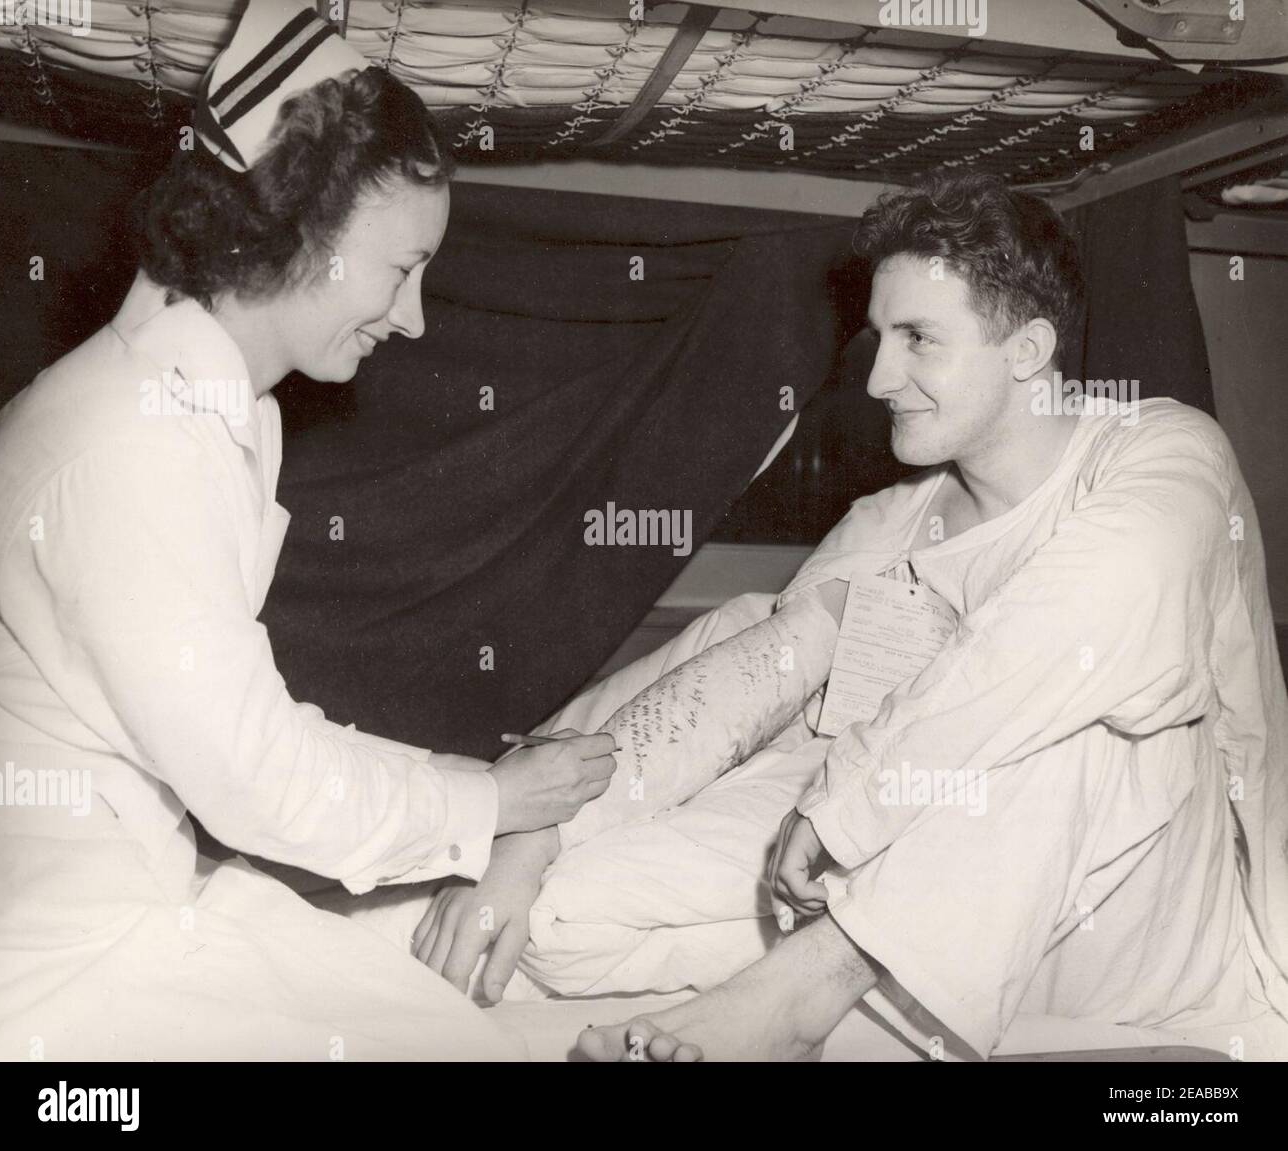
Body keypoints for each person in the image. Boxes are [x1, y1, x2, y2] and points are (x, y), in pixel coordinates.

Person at [418, 172, 1288, 1061]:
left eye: (918, 339)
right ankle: (833, 983)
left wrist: (848, 803)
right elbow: (745, 668)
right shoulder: (893, 520)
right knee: (567, 912)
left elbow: (1086, 624)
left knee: (1088, 694)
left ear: (1028, 349)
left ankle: (799, 996)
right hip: (947, 909)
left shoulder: (1168, 454)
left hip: (1144, 936)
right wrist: (532, 830)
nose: (877, 378)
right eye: (880, 337)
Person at [0, 0, 613, 1060]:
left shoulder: (207, 404)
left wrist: (476, 800)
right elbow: (257, 776)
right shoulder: (135, 446)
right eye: (399, 267)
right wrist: (494, 797)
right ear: (294, 234)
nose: (413, 317)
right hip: (58, 965)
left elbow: (241, 727)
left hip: (125, 892)